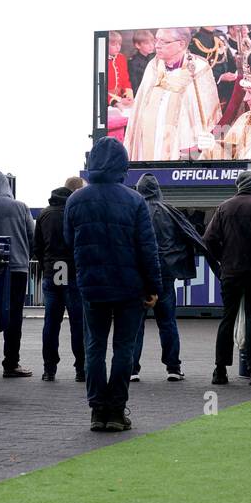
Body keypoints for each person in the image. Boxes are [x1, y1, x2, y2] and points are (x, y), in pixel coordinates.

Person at [63, 138, 160, 433]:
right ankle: (117, 411)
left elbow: (70, 241)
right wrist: (153, 286)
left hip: (92, 286)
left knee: (94, 347)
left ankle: (97, 411)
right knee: (124, 348)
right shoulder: (135, 201)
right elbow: (147, 248)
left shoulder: (75, 200)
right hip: (130, 288)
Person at [203, 171, 251, 386]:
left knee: (227, 318)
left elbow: (208, 240)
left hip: (231, 272)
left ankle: (219, 371)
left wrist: (224, 259)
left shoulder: (223, 208)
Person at [134, 173, 212, 381]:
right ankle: (173, 368)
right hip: (165, 275)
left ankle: (132, 369)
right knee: (167, 322)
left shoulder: (133, 210)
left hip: (138, 276)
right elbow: (192, 236)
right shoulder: (170, 211)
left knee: (135, 324)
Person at [123, 26, 221, 161]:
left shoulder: (198, 69)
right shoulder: (153, 66)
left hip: (182, 142)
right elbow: (140, 105)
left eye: (163, 42)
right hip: (149, 139)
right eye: (156, 40)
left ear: (181, 44)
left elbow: (207, 116)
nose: (157, 46)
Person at [0, 171, 35, 377]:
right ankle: (11, 363)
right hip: (17, 268)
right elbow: (32, 235)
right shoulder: (21, 207)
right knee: (14, 316)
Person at [34, 185, 85, 382]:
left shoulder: (44, 214)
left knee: (51, 322)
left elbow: (37, 245)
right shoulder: (73, 212)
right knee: (77, 323)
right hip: (72, 272)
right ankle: (81, 369)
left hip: (51, 272)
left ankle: (49, 369)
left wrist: (46, 263)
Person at [127, 29, 156, 102]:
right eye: (147, 43)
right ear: (138, 45)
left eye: (152, 42)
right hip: (142, 96)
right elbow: (135, 86)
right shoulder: (133, 63)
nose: (151, 46)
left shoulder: (155, 57)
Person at [106, 31, 133, 106]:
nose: (118, 47)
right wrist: (115, 102)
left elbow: (125, 80)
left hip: (121, 99)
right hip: (107, 101)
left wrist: (128, 96)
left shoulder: (121, 58)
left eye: (119, 44)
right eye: (114, 44)